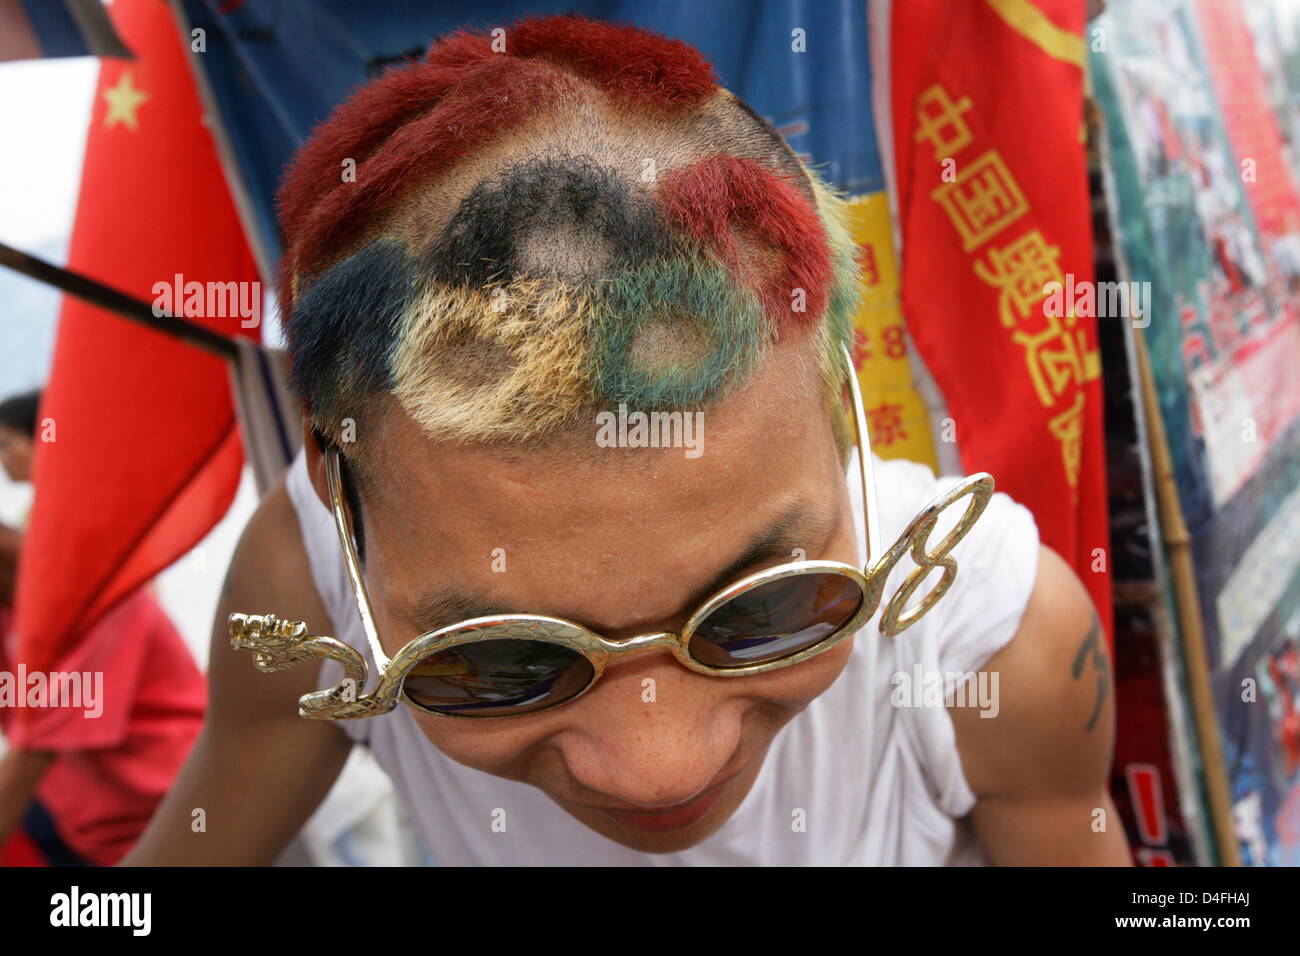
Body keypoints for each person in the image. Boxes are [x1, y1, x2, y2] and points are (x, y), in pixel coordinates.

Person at [127, 15, 1128, 866]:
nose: (662, 764)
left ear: (839, 412)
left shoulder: (990, 639)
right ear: (344, 504)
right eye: (502, 660)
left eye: (765, 607)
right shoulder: (307, 587)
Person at [0, 389, 207, 866]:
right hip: (90, 822)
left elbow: (39, 739)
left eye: (10, 442)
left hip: (173, 815)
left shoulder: (88, 557)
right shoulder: (37, 538)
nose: (5, 459)